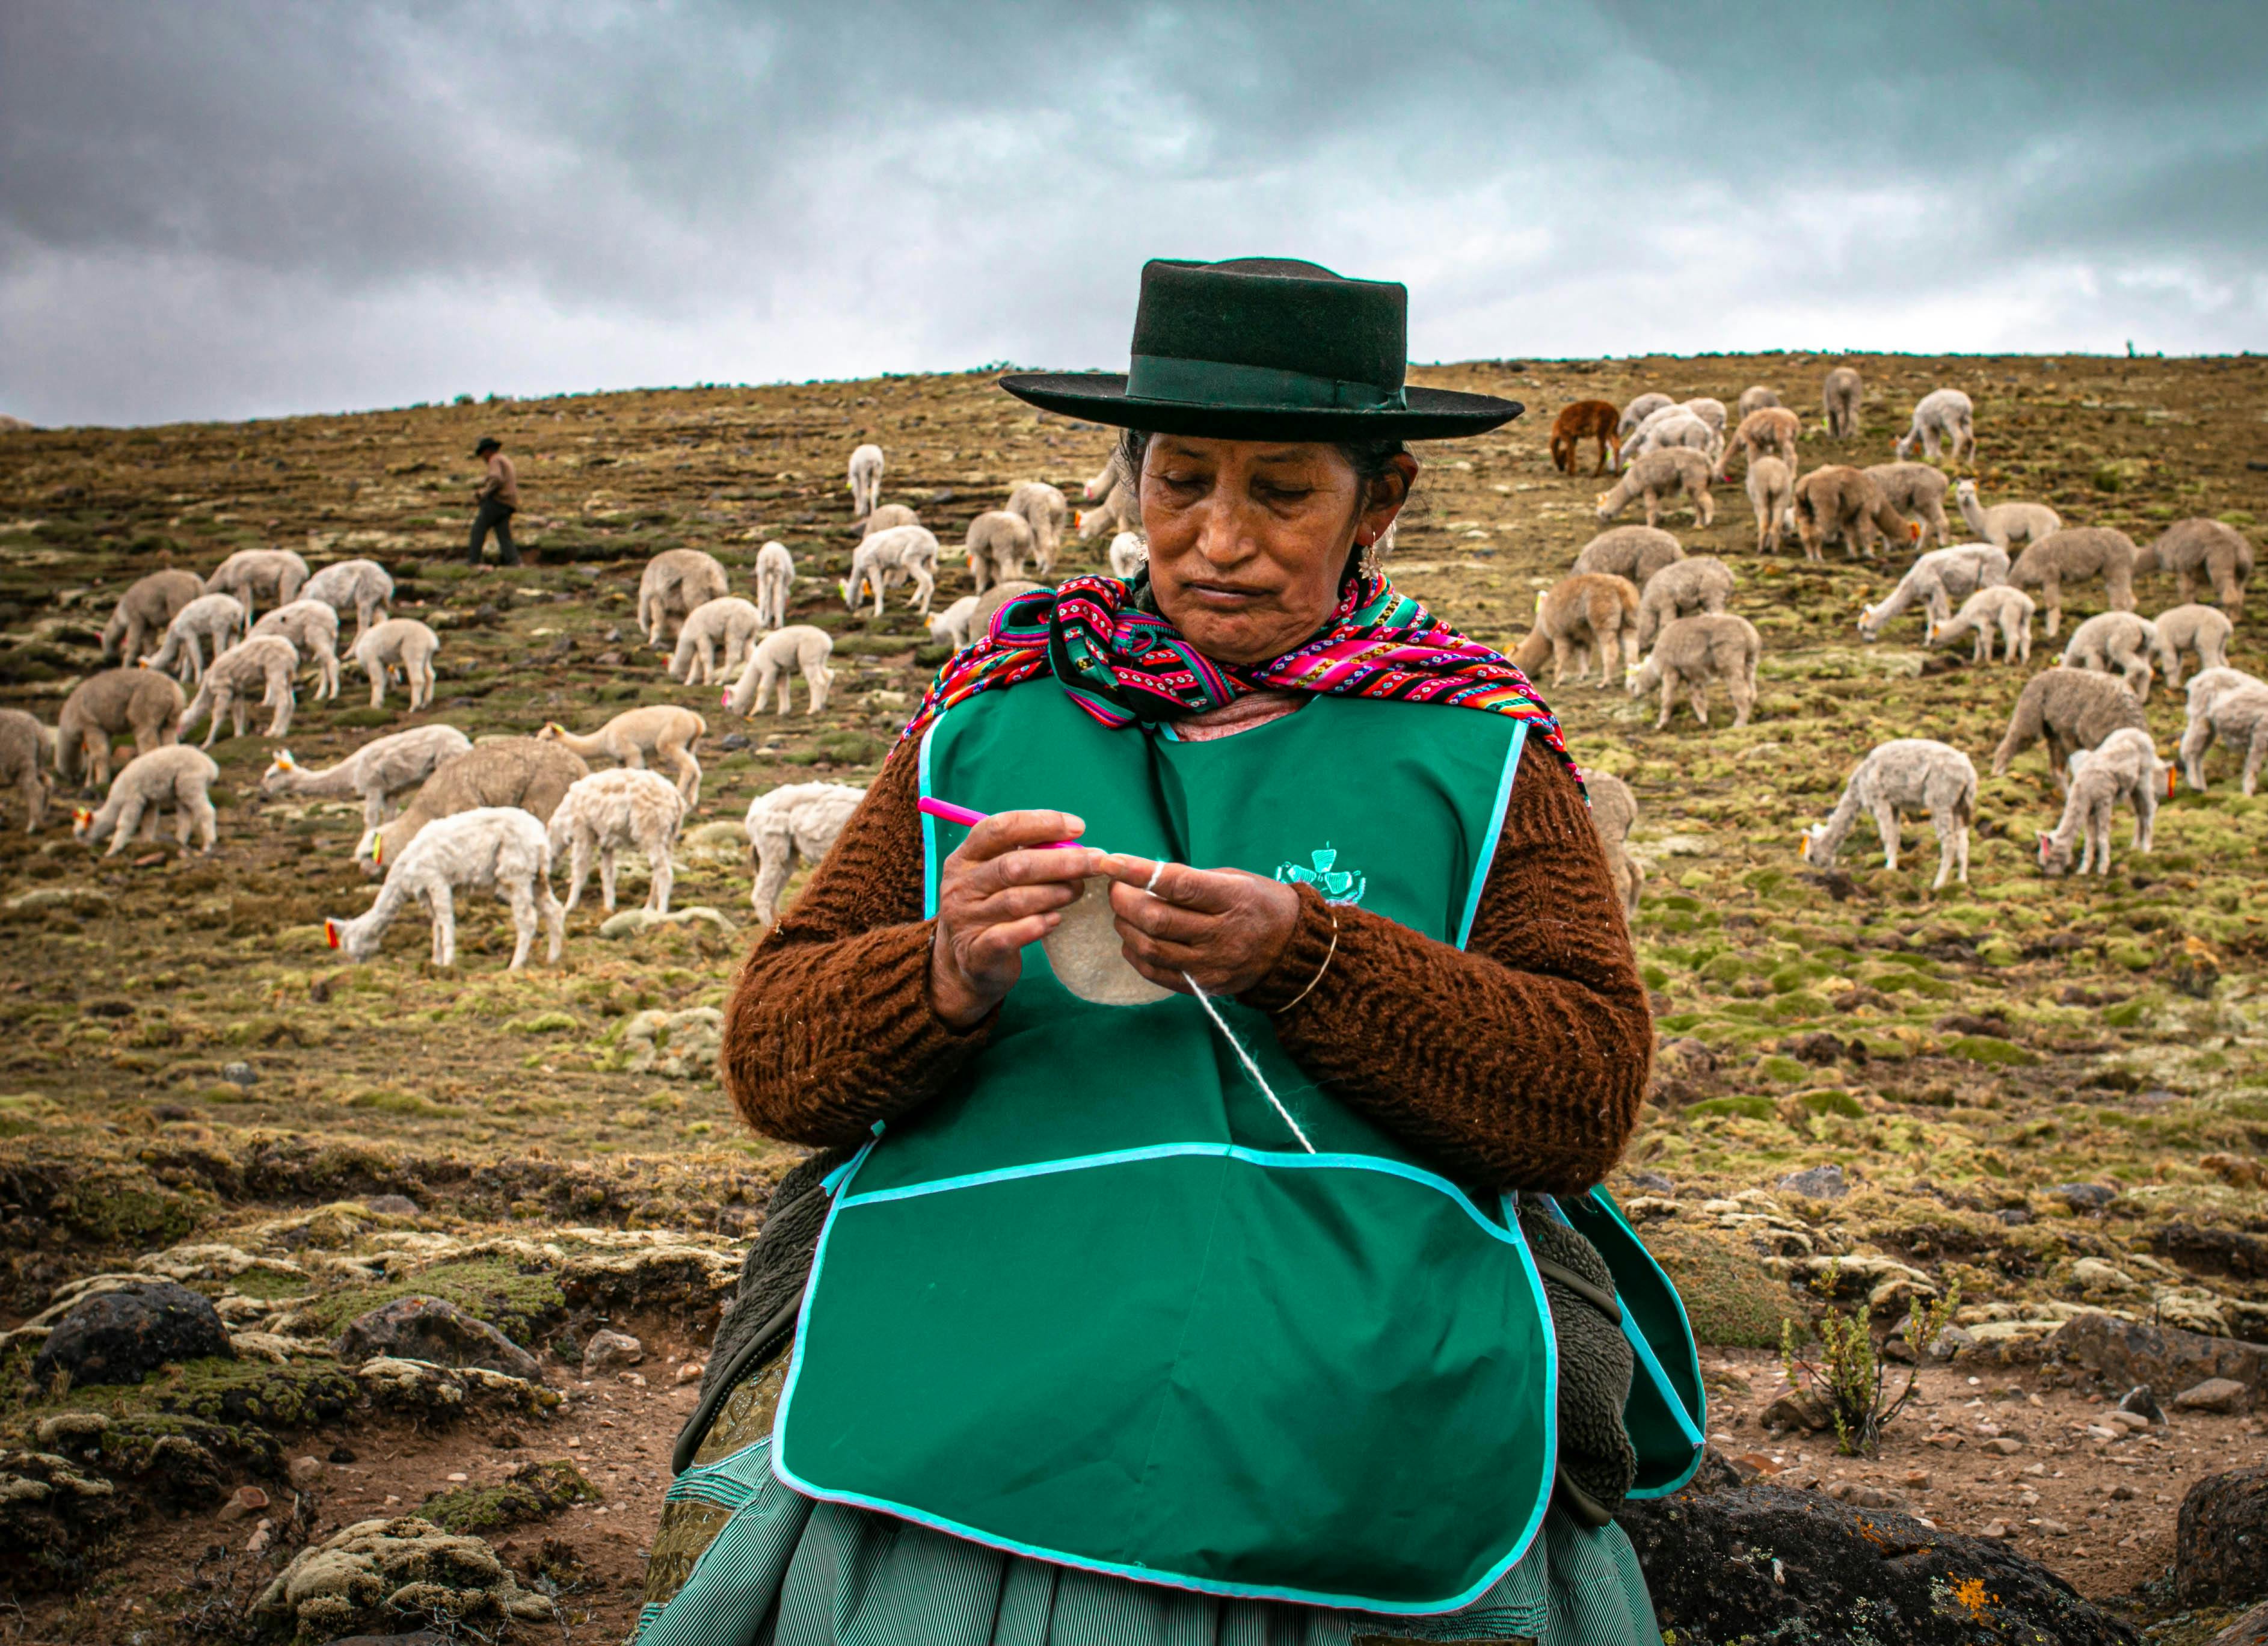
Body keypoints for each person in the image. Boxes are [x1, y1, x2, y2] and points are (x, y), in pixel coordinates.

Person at [639, 257, 1701, 1646]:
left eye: (1281, 490)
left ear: (1379, 500)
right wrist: (944, 965)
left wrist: (1311, 954)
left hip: (1358, 1312)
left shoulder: (1477, 743)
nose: (1218, 536)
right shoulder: (986, 713)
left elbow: (1583, 1091)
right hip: (986, 1288)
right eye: (1180, 480)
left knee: (1353, 1404)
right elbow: (775, 1056)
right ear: (1127, 477)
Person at [467, 436, 520, 564]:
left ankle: (473, 561)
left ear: (487, 451)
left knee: (478, 529)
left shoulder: (495, 460)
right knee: (503, 534)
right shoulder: (505, 459)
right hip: (509, 502)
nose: (483, 458)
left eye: (482, 454)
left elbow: (496, 478)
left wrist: (483, 493)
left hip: (498, 501)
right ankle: (514, 561)